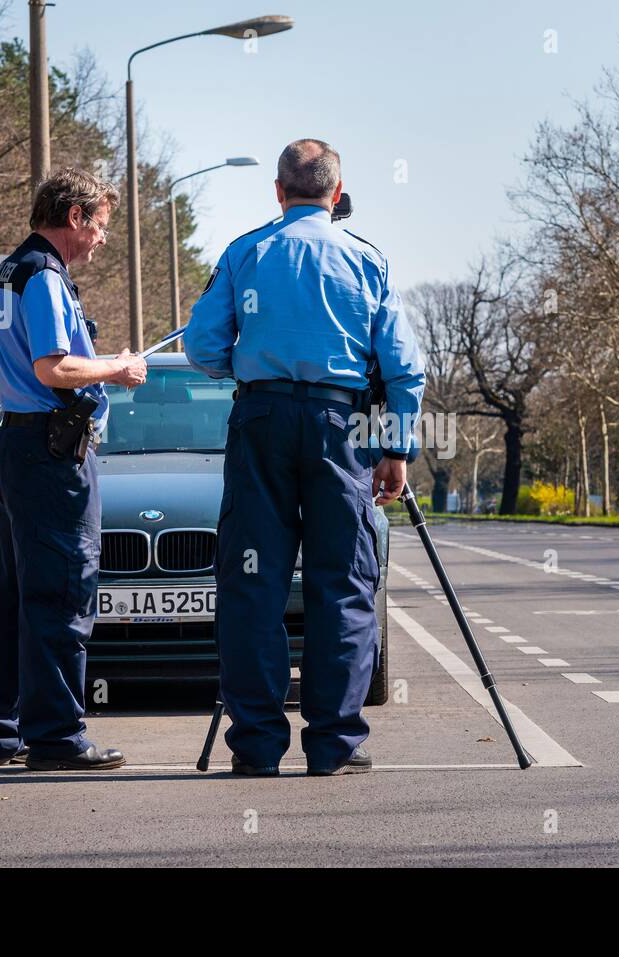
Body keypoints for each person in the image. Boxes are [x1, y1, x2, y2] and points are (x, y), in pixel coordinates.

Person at [184, 139, 425, 776]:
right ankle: (334, 745)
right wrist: (397, 450)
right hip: (338, 426)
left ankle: (257, 746)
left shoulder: (245, 252)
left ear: (278, 191)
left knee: (252, 586)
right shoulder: (367, 261)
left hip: (261, 421)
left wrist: (254, 364)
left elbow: (203, 345)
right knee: (341, 584)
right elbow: (404, 369)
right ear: (337, 194)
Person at [0, 167, 147, 771]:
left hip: (22, 448)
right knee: (62, 591)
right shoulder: (44, 278)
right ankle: (58, 738)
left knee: (11, 594)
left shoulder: (7, 270)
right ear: (74, 218)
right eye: (99, 225)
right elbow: (54, 368)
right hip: (52, 451)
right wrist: (116, 369)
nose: (101, 238)